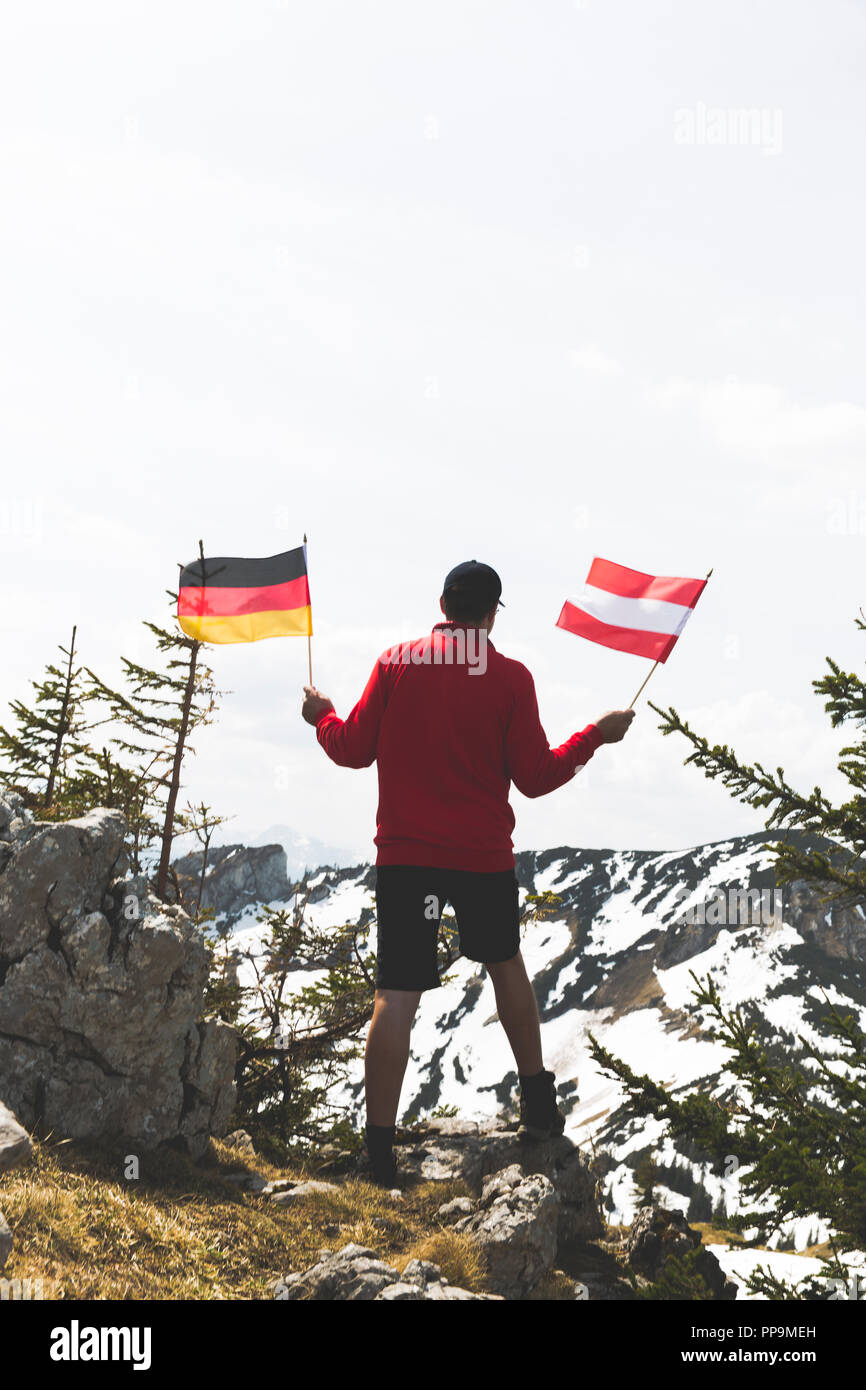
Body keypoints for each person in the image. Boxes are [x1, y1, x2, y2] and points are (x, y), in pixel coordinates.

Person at [301, 560, 635, 1185]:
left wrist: (321, 714)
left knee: (395, 995)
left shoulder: (396, 662)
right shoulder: (510, 678)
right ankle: (538, 1108)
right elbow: (536, 778)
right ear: (491, 613)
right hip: (481, 858)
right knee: (504, 962)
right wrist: (595, 735)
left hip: (405, 859)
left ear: (442, 605)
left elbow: (351, 748)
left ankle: (380, 1155)